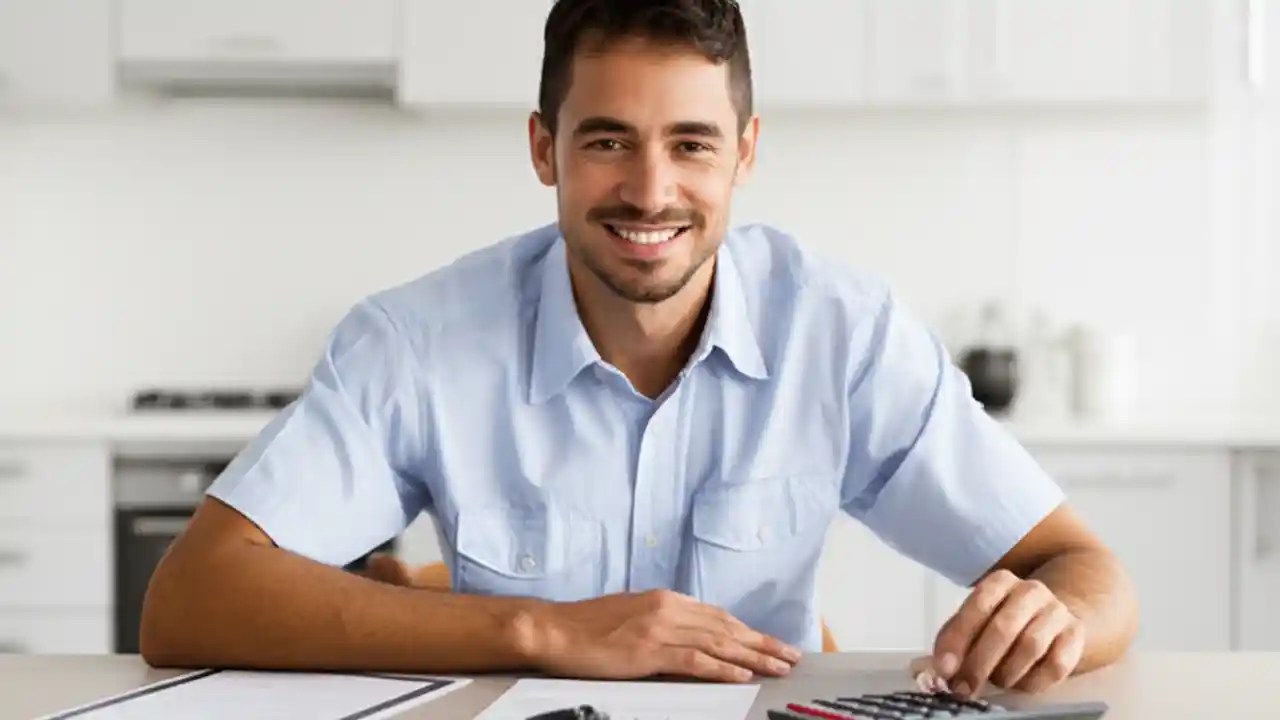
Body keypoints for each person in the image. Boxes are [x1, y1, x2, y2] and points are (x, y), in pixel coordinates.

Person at [140, 0, 1138, 700]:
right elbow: (190, 599)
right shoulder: (419, 343)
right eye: (608, 140)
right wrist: (544, 631)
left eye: (691, 144)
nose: (650, 190)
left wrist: (1055, 620)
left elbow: (1083, 571)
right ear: (545, 149)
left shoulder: (843, 335)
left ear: (745, 150)